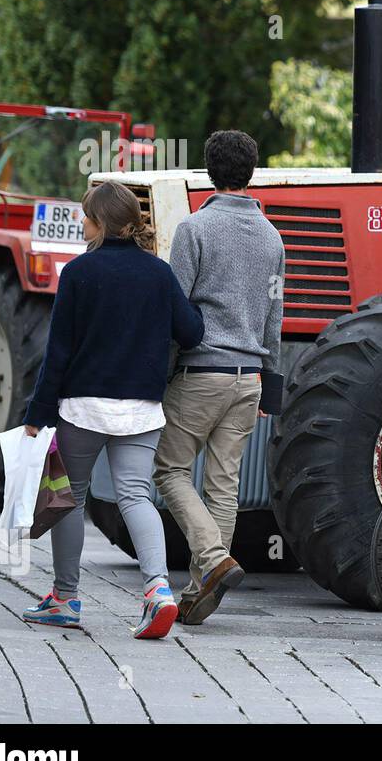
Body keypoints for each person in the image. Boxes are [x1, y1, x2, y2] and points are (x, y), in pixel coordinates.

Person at [22, 181, 204, 639]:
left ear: (100, 223)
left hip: (83, 409)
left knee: (68, 498)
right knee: (136, 497)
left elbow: (58, 353)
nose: (82, 223)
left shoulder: (79, 273)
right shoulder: (159, 274)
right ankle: (159, 591)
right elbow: (192, 332)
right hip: (141, 409)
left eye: (86, 217)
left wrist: (37, 413)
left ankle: (65, 599)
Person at [153, 129, 284, 626]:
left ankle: (212, 559)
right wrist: (270, 381)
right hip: (248, 378)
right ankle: (199, 589)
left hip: (200, 372)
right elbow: (275, 315)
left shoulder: (194, 230)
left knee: (169, 470)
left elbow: (175, 309)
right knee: (222, 487)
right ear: (251, 171)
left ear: (210, 171)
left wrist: (160, 375)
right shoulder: (272, 236)